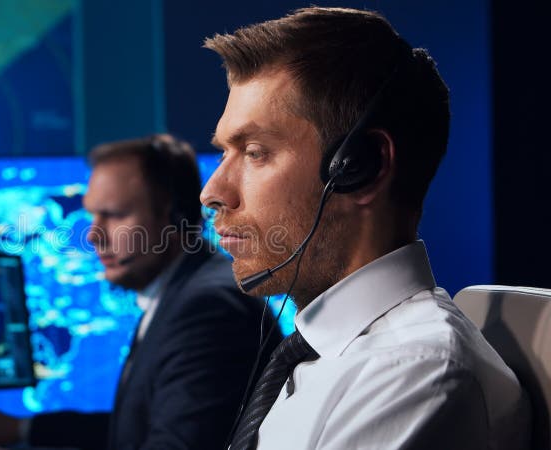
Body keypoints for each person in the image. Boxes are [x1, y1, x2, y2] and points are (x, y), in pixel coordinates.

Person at [200, 7, 529, 450]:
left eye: (255, 152)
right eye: (224, 153)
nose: (212, 191)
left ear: (360, 167)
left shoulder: (414, 375)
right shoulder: (322, 351)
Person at [0, 134, 282, 450]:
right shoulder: (186, 287)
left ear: (173, 216)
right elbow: (140, 429)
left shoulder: (208, 309)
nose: (93, 235)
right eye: (93, 215)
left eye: (113, 215)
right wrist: (23, 428)